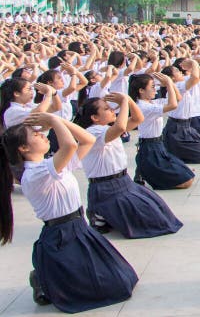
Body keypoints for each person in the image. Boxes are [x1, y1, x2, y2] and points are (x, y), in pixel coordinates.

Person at [0, 112, 138, 312]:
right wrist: (54, 120)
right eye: (36, 135)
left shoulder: (50, 165)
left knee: (124, 279)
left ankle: (45, 275)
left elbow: (87, 140)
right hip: (61, 237)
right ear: (23, 148)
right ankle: (44, 277)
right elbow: (71, 145)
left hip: (78, 228)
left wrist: (61, 121)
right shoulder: (35, 173)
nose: (42, 135)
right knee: (113, 288)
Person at [76, 93, 184, 237]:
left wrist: (129, 100)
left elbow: (138, 119)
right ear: (95, 118)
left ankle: (105, 214)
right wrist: (123, 103)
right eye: (107, 109)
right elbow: (120, 127)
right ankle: (100, 212)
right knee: (150, 222)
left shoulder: (106, 129)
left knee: (160, 214)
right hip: (107, 188)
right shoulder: (92, 132)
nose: (112, 111)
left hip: (122, 182)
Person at [129, 72, 195, 190]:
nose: (156, 89)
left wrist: (170, 85)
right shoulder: (144, 106)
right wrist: (169, 83)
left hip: (158, 145)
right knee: (186, 181)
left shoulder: (151, 102)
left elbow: (178, 98)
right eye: (152, 87)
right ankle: (144, 172)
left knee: (188, 175)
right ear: (141, 90)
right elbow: (173, 105)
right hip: (150, 149)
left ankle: (144, 172)